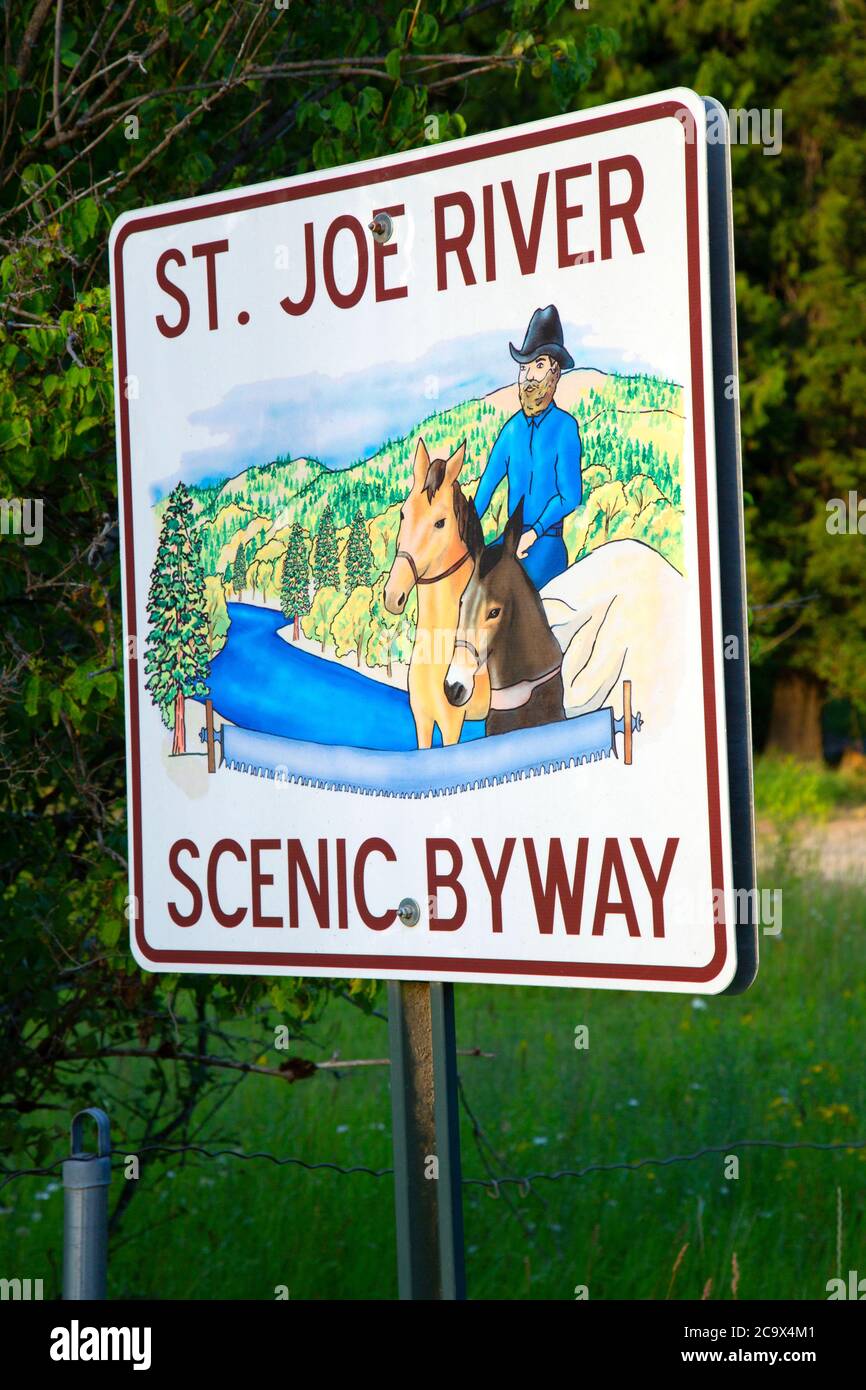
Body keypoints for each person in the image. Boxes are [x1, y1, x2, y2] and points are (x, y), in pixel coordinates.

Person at [473, 304, 582, 590]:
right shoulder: (510, 431)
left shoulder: (565, 428)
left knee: (510, 596)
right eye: (524, 367)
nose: (529, 376)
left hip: (546, 543)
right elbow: (485, 489)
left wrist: (534, 532)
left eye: (539, 365)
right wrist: (466, 529)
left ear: (555, 374)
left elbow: (570, 496)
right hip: (509, 542)